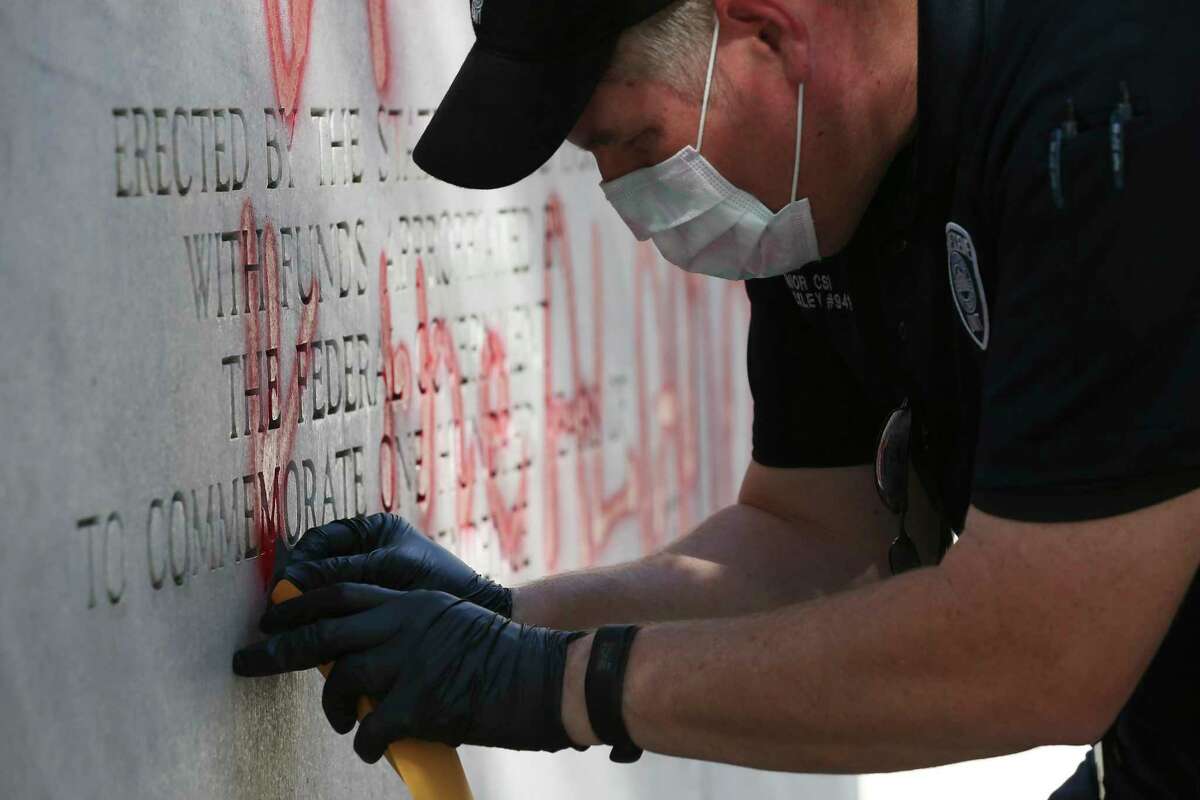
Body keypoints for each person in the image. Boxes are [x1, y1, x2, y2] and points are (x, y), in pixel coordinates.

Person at [233, 1, 1200, 796]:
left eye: (631, 140)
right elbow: (812, 538)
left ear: (767, 33)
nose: (623, 194)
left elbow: (1040, 646)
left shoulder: (1116, 112)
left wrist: (556, 687)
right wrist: (512, 617)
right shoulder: (819, 176)